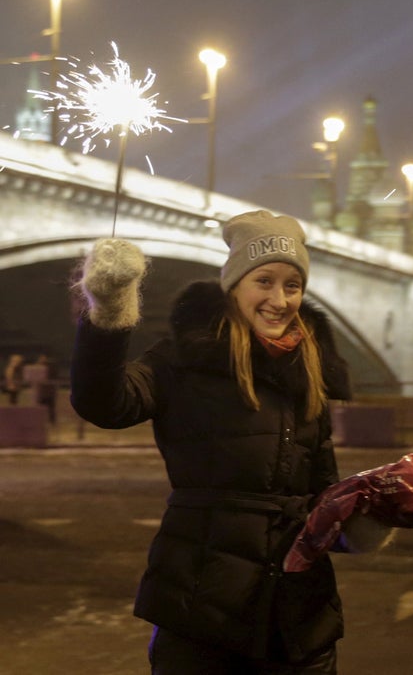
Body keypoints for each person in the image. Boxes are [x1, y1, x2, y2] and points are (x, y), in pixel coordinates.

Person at [69, 210, 353, 673]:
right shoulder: (182, 357)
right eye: (264, 281)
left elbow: (324, 492)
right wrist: (110, 308)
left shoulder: (310, 367)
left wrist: (369, 513)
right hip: (201, 611)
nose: (280, 300)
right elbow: (105, 404)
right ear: (234, 285)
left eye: (293, 285)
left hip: (300, 621)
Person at [23, 355, 54, 423]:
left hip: (46, 391)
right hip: (40, 391)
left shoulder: (49, 367)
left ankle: (50, 421)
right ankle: (40, 419)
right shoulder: (38, 367)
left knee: (49, 407)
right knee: (41, 406)